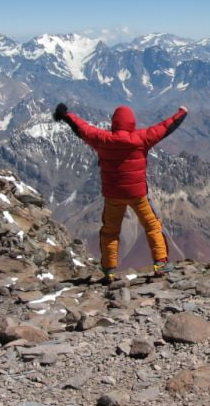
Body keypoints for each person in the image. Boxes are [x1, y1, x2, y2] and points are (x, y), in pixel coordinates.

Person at [53, 102, 188, 284]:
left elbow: (81, 128)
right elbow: (166, 127)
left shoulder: (102, 139)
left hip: (112, 196)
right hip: (138, 195)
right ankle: (160, 264)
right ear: (132, 123)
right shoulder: (142, 138)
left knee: (110, 232)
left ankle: (109, 270)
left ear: (114, 123)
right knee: (152, 226)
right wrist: (182, 113)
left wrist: (66, 114)